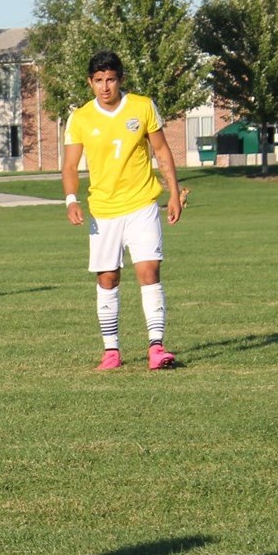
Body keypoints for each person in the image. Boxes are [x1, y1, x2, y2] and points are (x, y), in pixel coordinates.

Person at [61, 50, 185, 371]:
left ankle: (156, 348)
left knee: (149, 272)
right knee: (108, 279)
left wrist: (173, 193)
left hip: (142, 204)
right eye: (99, 80)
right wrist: (71, 199)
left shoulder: (142, 107)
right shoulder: (81, 118)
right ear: (90, 82)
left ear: (121, 80)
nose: (105, 87)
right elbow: (71, 165)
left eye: (111, 79)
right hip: (103, 211)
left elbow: (161, 150)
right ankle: (111, 351)